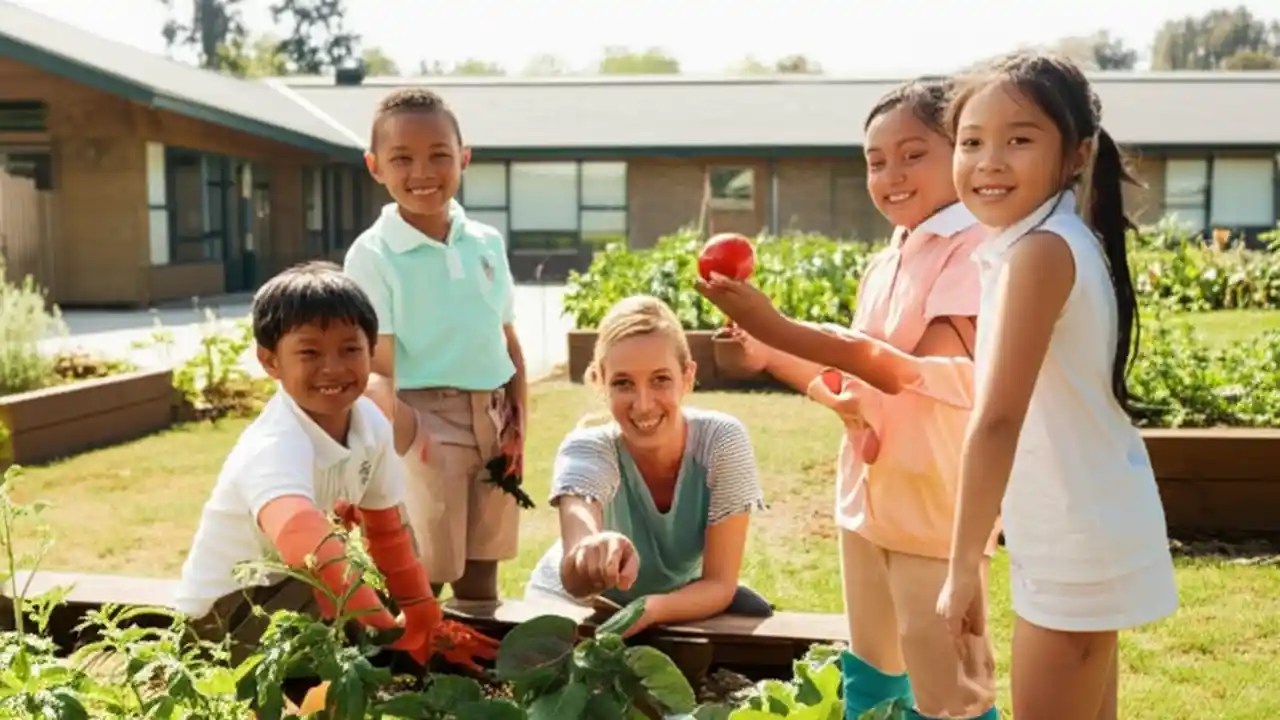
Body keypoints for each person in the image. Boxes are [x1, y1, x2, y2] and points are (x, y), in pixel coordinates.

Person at [701, 78, 998, 720]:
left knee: (949, 688)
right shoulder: (888, 260)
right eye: (875, 160)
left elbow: (918, 373)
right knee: (871, 667)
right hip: (869, 494)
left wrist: (779, 326)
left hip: (934, 500)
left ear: (961, 151)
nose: (891, 173)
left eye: (913, 153)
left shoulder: (976, 250)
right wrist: (768, 349)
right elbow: (854, 388)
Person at [933, 51, 1177, 720]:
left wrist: (962, 571)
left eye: (1019, 139)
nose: (988, 161)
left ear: (1077, 154)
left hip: (1075, 539)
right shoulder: (1047, 241)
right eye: (971, 141)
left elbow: (996, 422)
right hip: (1084, 524)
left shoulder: (1040, 252)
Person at [173, 261, 496, 670]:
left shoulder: (371, 421)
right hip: (221, 621)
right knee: (335, 588)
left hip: (290, 593)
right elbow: (304, 542)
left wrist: (421, 612)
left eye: (350, 349)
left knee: (385, 578)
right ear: (270, 361)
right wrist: (383, 628)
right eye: (309, 352)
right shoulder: (274, 443)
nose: (333, 367)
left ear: (371, 350)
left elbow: (387, 532)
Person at [344, 88, 527, 606]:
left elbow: (507, 339)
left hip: (493, 417)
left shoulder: (486, 242)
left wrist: (519, 425)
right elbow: (376, 370)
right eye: (402, 158)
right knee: (422, 574)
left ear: (463, 159)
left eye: (439, 155)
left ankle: (472, 682)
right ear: (375, 166)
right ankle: (408, 677)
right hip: (420, 420)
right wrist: (411, 439)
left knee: (481, 569)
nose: (422, 171)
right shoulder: (373, 254)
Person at [523, 295, 771, 636]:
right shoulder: (588, 448)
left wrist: (650, 609)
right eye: (623, 383)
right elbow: (574, 571)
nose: (643, 405)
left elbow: (718, 583)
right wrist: (591, 549)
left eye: (660, 380)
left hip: (658, 610)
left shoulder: (721, 442)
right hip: (571, 610)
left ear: (687, 377)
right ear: (599, 382)